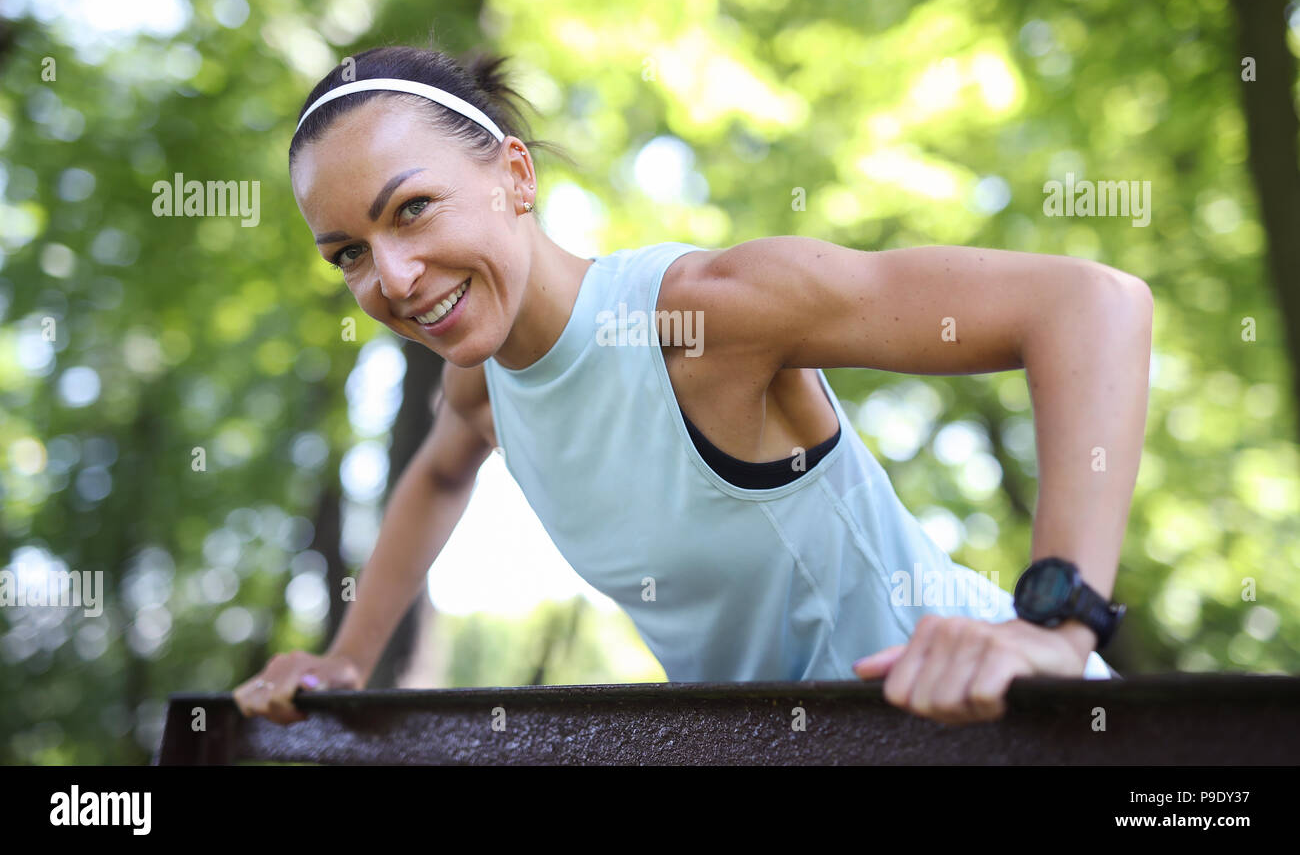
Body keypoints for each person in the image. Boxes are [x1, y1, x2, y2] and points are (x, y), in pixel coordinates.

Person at [233, 42, 1151, 728]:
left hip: (1002, 714)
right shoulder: (484, 385)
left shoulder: (709, 314)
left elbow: (1092, 305)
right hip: (817, 750)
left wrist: (1057, 626)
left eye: (413, 209)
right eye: (349, 253)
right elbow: (437, 476)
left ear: (516, 175)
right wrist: (348, 659)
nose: (389, 278)